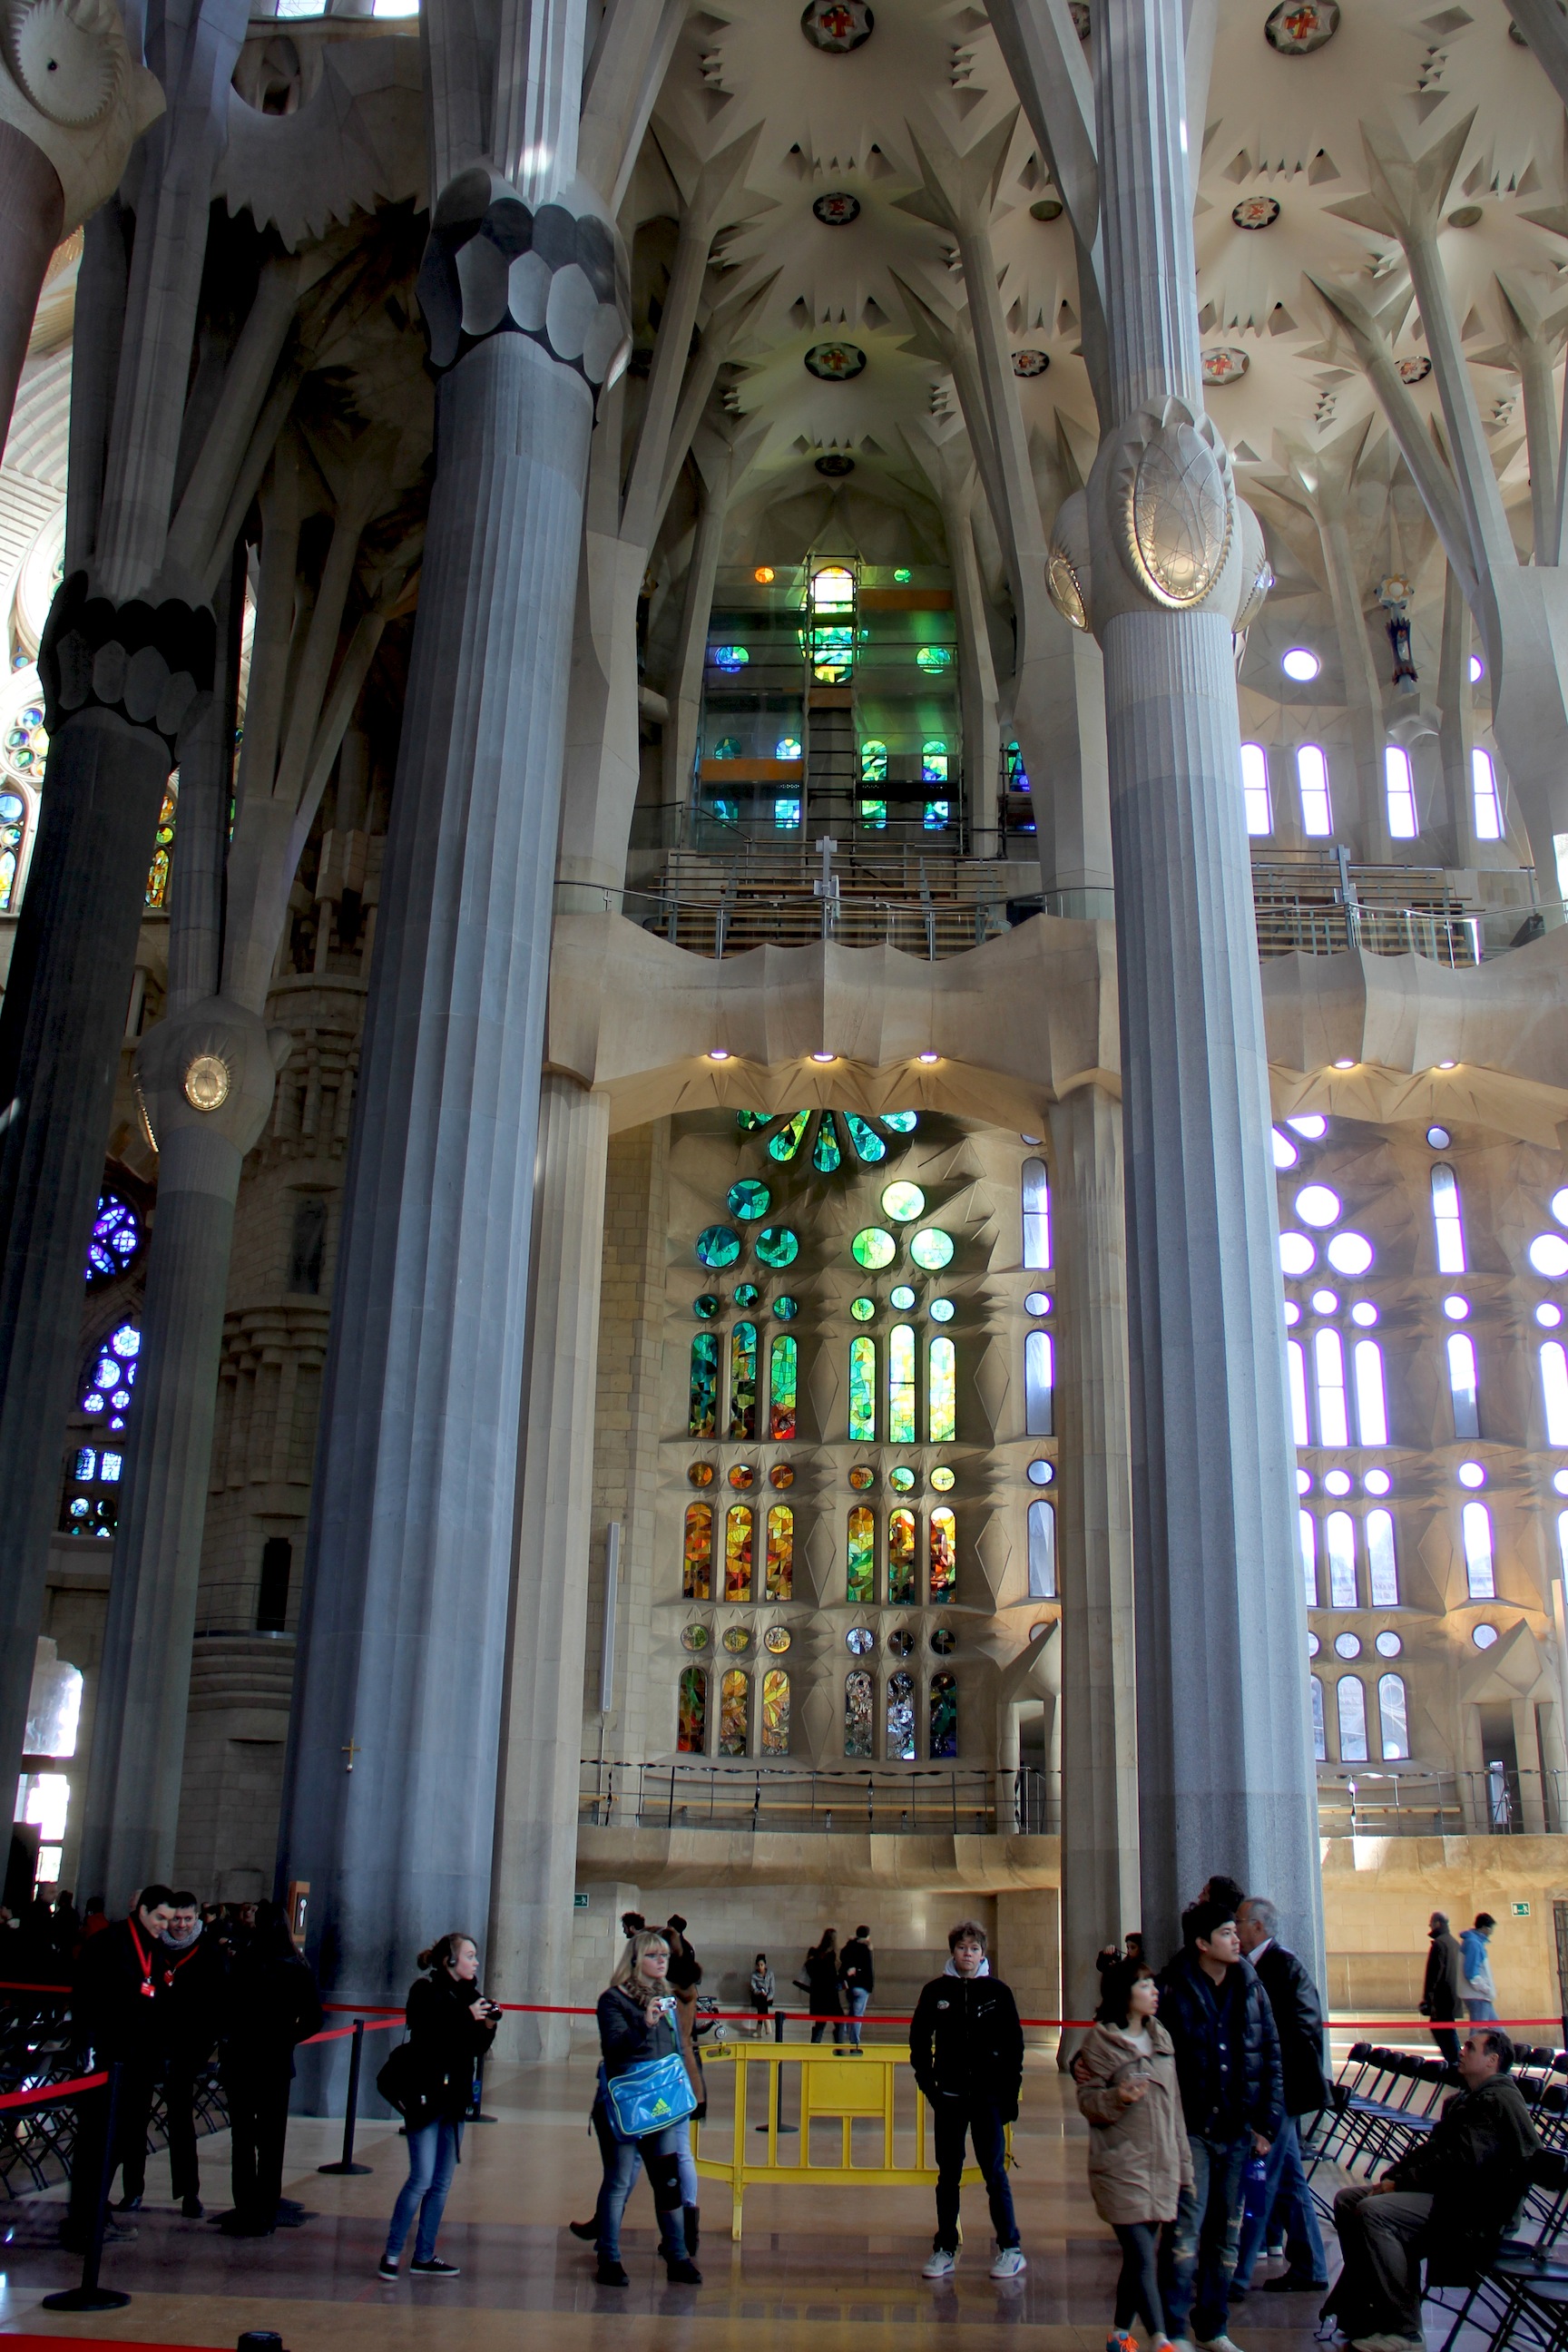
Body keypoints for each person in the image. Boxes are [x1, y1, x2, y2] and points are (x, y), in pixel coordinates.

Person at [1331, 2029, 1540, 2352]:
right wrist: (1392, 2176)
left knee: (1375, 2213)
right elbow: (1434, 2152)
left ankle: (1405, 2330)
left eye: (1471, 2047)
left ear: (1492, 2060)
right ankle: (1370, 2309)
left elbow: (1460, 2163)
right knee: (1349, 2200)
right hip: (1454, 2195)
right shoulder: (1470, 2097)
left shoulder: (1496, 2100)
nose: (1462, 2050)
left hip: (1476, 2210)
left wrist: (1399, 2185)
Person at [1155, 1896, 1282, 2352]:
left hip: (1238, 2130)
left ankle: (1213, 2325)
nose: (1237, 1939)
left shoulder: (1250, 1985)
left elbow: (1270, 2053)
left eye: (1236, 1931)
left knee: (1225, 2234)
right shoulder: (1173, 1988)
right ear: (1202, 1943)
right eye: (1227, 1933)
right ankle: (1170, 2329)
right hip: (1192, 2130)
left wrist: (1266, 2122)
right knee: (1186, 2230)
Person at [1076, 1954, 1191, 2352]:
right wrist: (1117, 2097)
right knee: (1142, 2256)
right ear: (1125, 1994)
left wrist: (1185, 2169)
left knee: (1138, 2258)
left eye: (1153, 1985)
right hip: (1120, 2164)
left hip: (1161, 2165)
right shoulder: (1101, 2042)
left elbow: (1174, 2108)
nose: (1154, 1992)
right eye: (1145, 1985)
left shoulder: (1161, 2038)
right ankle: (1162, 2338)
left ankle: (1120, 2336)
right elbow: (1089, 2102)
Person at [64, 1883, 181, 2251]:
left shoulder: (155, 1949)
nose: (165, 1925)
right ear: (142, 1910)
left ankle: (98, 2212)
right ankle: (82, 2221)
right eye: (160, 1917)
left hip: (138, 2064)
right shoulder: (109, 1943)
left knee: (119, 2144)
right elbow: (87, 2001)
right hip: (108, 2063)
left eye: (169, 1919)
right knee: (96, 2143)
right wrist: (89, 2048)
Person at [909, 1919, 1027, 2281]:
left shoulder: (998, 1991)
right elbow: (918, 2040)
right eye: (962, 1947)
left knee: (994, 2173)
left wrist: (1008, 2096)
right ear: (953, 1951)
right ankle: (945, 2247)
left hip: (988, 2098)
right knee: (949, 2174)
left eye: (974, 1948)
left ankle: (1010, 2247)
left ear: (982, 1953)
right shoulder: (934, 1991)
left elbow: (1013, 2046)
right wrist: (930, 2086)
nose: (968, 1954)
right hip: (950, 2097)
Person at [377, 1930, 498, 2281]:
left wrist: (488, 2022)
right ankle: (392, 2252)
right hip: (426, 2094)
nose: (475, 1962)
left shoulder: (471, 1995)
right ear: (450, 1960)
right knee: (421, 2177)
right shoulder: (425, 1991)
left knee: (442, 2182)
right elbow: (428, 2030)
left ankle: (425, 2254)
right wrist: (467, 2015)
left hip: (455, 2097)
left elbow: (474, 2046)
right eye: (470, 1955)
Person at [589, 1927, 701, 2286]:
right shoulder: (614, 1999)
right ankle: (609, 2256)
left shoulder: (667, 1996)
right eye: (654, 1956)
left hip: (662, 2104)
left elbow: (674, 2050)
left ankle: (678, 2254)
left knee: (668, 2181)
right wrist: (645, 2021)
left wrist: (691, 2089)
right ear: (636, 1960)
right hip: (624, 2105)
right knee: (619, 2180)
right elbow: (616, 2047)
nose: (662, 1961)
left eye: (665, 1956)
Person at [1231, 1896, 1328, 2296]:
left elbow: (1295, 2033)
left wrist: (1272, 2088)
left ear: (1256, 1926)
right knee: (1289, 2181)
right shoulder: (1257, 1967)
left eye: (1238, 1922)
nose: (1234, 1929)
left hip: (1281, 2092)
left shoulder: (1281, 1966)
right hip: (1275, 2090)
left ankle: (1236, 2276)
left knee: (1264, 2180)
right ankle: (1311, 2265)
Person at [219, 1900, 323, 2235]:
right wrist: (286, 2037)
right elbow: (313, 2019)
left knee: (242, 2136)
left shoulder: (244, 1963)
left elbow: (227, 2009)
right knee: (272, 2137)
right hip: (275, 2061)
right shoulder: (297, 1965)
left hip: (242, 2058)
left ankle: (245, 2205)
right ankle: (266, 2206)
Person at [132, 1889, 220, 2220]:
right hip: (149, 2046)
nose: (180, 1925)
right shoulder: (153, 1947)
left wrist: (201, 2046)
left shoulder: (208, 1953)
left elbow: (215, 2006)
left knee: (182, 2122)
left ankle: (189, 2193)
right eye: (176, 1920)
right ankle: (133, 2189)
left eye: (187, 1919)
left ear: (197, 1918)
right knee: (135, 2120)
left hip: (186, 2050)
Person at [1419, 1912, 1463, 2064]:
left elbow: (1434, 1975)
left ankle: (1455, 2064)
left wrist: (1428, 2000)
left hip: (1441, 2000)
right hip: (1451, 1998)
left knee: (1443, 2031)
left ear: (1438, 1923)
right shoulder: (1453, 1943)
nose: (1430, 1926)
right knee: (1448, 2031)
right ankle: (1455, 2061)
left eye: (1431, 1922)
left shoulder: (1439, 1944)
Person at [804, 1928, 843, 2044]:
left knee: (820, 2024)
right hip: (830, 1996)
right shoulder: (831, 1956)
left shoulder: (814, 1954)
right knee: (840, 2021)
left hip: (817, 1996)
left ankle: (814, 2049)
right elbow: (831, 1978)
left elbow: (811, 1972)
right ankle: (839, 2048)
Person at [841, 1926, 875, 2049]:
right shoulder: (866, 1948)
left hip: (850, 1985)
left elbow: (842, 1957)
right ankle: (854, 2042)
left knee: (851, 2012)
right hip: (862, 1986)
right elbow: (868, 1970)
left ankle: (843, 2031)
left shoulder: (849, 1947)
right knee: (858, 2015)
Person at [1460, 1914, 1497, 2023]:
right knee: (1479, 2032)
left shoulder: (1474, 1942)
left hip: (1480, 1996)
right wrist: (1486, 1989)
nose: (1491, 1932)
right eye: (1491, 1929)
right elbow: (1471, 1973)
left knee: (1496, 2031)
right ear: (1485, 1928)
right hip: (1478, 1996)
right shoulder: (1473, 1944)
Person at [750, 1953, 774, 2034]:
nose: (760, 1967)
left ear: (765, 1965)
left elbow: (772, 1989)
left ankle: (759, 2029)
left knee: (762, 2004)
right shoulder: (754, 1975)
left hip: (767, 1998)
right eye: (758, 1965)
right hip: (757, 1996)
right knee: (761, 2001)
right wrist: (760, 1992)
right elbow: (754, 1988)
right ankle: (768, 2025)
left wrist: (767, 1996)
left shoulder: (770, 1974)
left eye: (762, 1965)